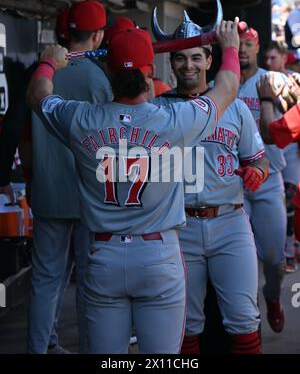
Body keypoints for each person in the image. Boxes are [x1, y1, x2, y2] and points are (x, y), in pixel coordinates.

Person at [26, 18, 241, 353]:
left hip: (104, 256)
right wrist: (229, 47)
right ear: (148, 73)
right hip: (158, 254)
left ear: (109, 74)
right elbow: (227, 86)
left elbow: (37, 94)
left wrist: (48, 62)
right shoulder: (174, 120)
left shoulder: (81, 119)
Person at [152, 19, 268, 354]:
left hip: (230, 222)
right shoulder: (158, 108)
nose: (188, 64)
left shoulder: (234, 107)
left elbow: (258, 160)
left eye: (196, 57)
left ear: (209, 59)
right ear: (171, 63)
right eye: (180, 58)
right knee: (185, 323)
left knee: (244, 318)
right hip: (180, 226)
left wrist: (256, 173)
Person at [26, 0, 112, 354]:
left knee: (46, 279)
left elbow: (24, 132)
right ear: (98, 35)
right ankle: (92, 348)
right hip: (88, 196)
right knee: (91, 282)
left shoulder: (43, 72)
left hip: (48, 191)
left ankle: (42, 346)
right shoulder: (98, 77)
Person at [238, 26, 287, 333]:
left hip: (269, 177)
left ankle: (272, 297)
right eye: (237, 45)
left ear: (256, 48)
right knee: (240, 260)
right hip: (235, 181)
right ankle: (245, 319)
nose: (242, 50)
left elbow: (278, 132)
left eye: (248, 44)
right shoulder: (220, 83)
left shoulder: (272, 81)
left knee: (274, 258)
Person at [265, 40, 300, 272]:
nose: (268, 63)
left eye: (273, 58)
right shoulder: (264, 79)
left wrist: (268, 99)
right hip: (278, 151)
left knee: (290, 202)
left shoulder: (294, 83)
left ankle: (289, 249)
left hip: (290, 151)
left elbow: (271, 134)